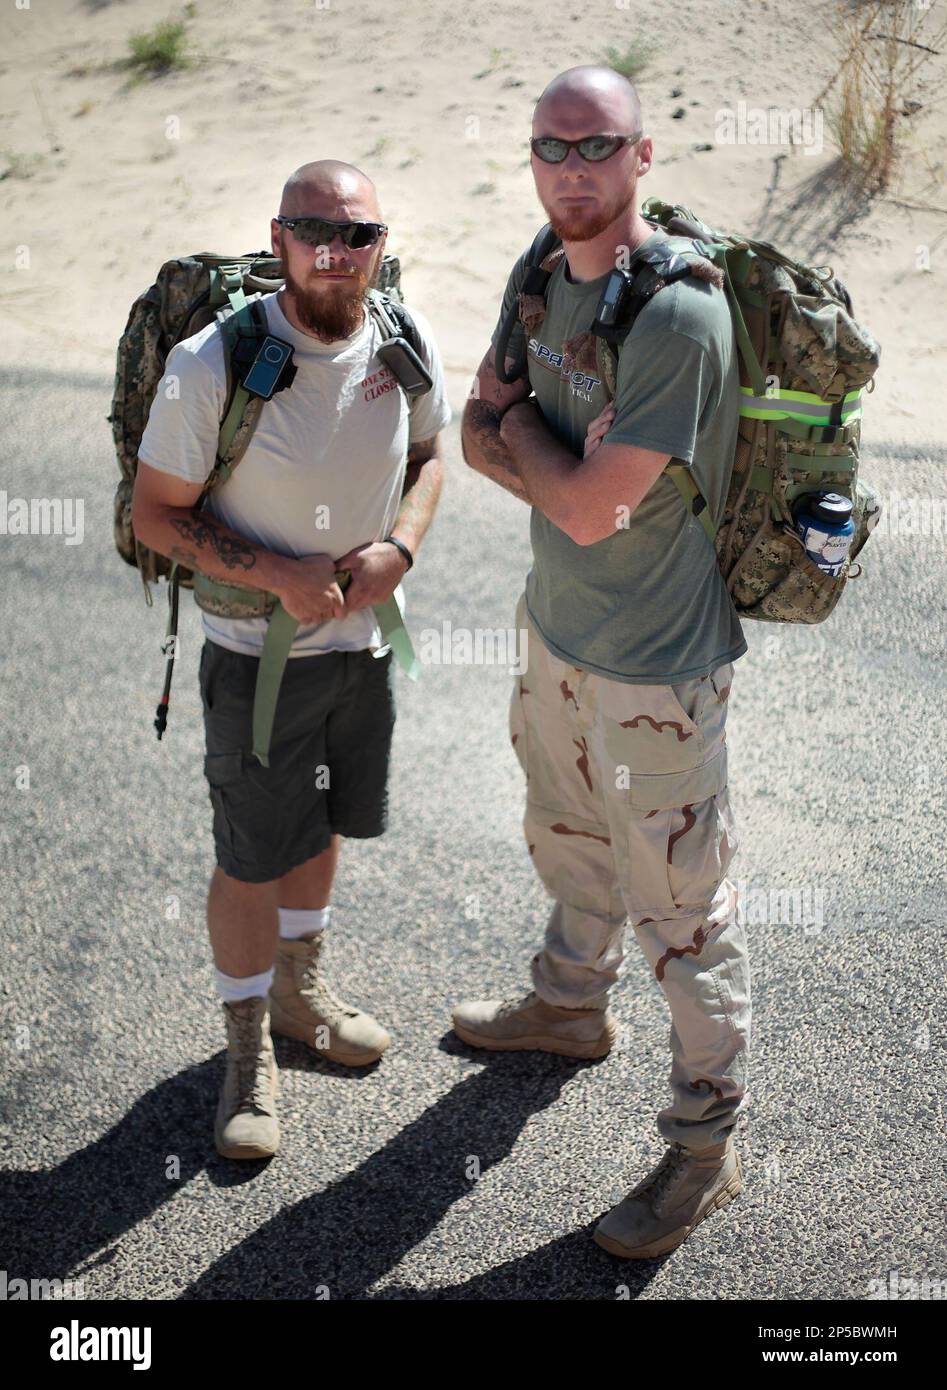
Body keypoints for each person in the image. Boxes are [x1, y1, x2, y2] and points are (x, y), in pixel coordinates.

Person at [454, 66, 752, 1259]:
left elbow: (551, 479)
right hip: (560, 630)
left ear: (643, 158)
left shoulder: (675, 314)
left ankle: (704, 1145)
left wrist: (525, 441)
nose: (571, 170)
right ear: (532, 160)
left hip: (656, 669)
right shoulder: (542, 265)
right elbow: (476, 435)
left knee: (681, 911)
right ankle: (569, 1008)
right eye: (551, 147)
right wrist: (539, 456)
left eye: (597, 148)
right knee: (566, 832)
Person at [132, 160, 451, 1160]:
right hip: (251, 654)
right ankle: (243, 1050)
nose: (334, 250)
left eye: (355, 234)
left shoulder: (401, 338)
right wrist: (274, 572)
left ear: (379, 245)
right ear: (278, 238)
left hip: (357, 648)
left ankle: (300, 995)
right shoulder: (209, 362)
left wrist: (399, 545)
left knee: (322, 820)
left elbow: (430, 457)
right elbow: (155, 515)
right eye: (313, 229)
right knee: (248, 853)